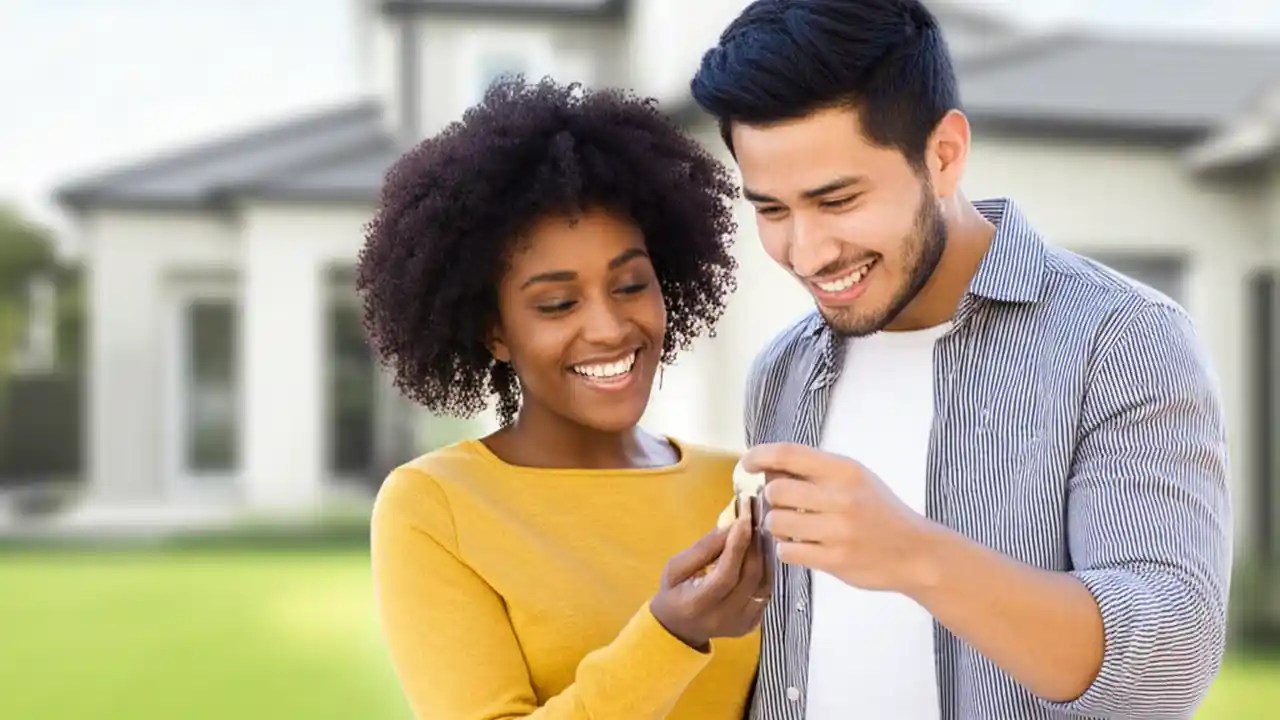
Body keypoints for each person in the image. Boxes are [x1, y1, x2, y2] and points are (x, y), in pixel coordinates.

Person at [689, 1, 1232, 719]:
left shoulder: (1121, 340)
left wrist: (913, 555)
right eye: (772, 210)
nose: (808, 253)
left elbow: (1168, 662)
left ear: (943, 155)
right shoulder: (782, 371)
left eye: (838, 200)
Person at [360, 76, 769, 720]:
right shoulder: (435, 507)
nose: (608, 328)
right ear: (495, 331)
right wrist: (670, 635)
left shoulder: (735, 489)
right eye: (557, 303)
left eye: (631, 285)